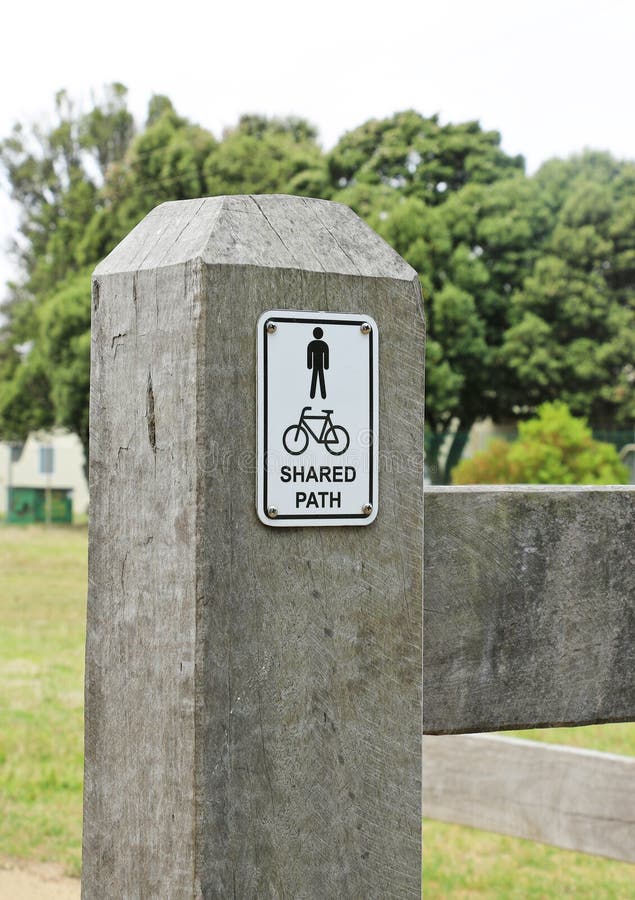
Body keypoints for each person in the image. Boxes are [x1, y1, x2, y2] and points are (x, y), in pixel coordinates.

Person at [307, 327, 329, 399]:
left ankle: (312, 395)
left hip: (315, 365)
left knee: (314, 378)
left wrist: (309, 365)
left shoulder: (311, 344)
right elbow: (326, 356)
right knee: (321, 378)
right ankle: (323, 395)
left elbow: (309, 355)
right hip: (320, 365)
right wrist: (326, 366)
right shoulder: (324, 344)